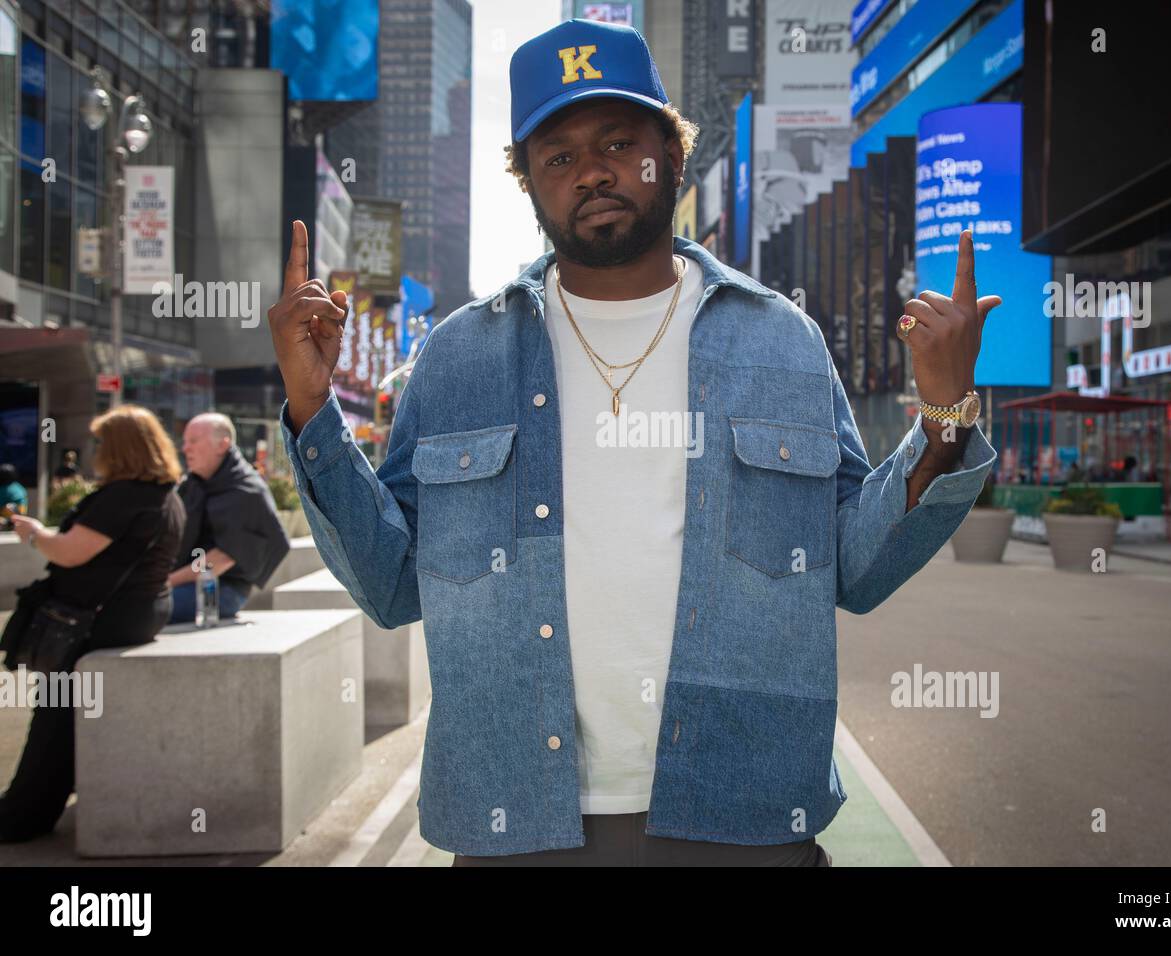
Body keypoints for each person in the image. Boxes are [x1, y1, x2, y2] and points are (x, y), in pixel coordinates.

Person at [269, 19, 999, 867]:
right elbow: (395, 586)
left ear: (673, 154)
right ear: (531, 184)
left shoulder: (781, 341)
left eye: (619, 141)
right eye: (560, 155)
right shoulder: (459, 356)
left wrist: (945, 414)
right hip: (516, 819)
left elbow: (858, 567)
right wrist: (311, 409)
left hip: (743, 813)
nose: (593, 171)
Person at [0, 405, 185, 842]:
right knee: (58, 713)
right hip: (138, 615)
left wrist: (34, 534)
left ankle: (23, 815)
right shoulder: (166, 495)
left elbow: (69, 552)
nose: (95, 450)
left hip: (99, 620)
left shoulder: (124, 496)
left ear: (120, 449)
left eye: (103, 442)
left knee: (53, 716)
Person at [165, 412, 289, 624]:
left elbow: (220, 560)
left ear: (223, 445)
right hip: (182, 580)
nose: (185, 449)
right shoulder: (192, 484)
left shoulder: (246, 490)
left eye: (193, 441)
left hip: (222, 590)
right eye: (185, 442)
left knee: (142, 609)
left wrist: (164, 583)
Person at [0, 463, 26, 530]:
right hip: (14, 516)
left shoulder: (9, 488)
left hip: (12, 516)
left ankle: (9, 524)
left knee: (10, 507)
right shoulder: (18, 486)